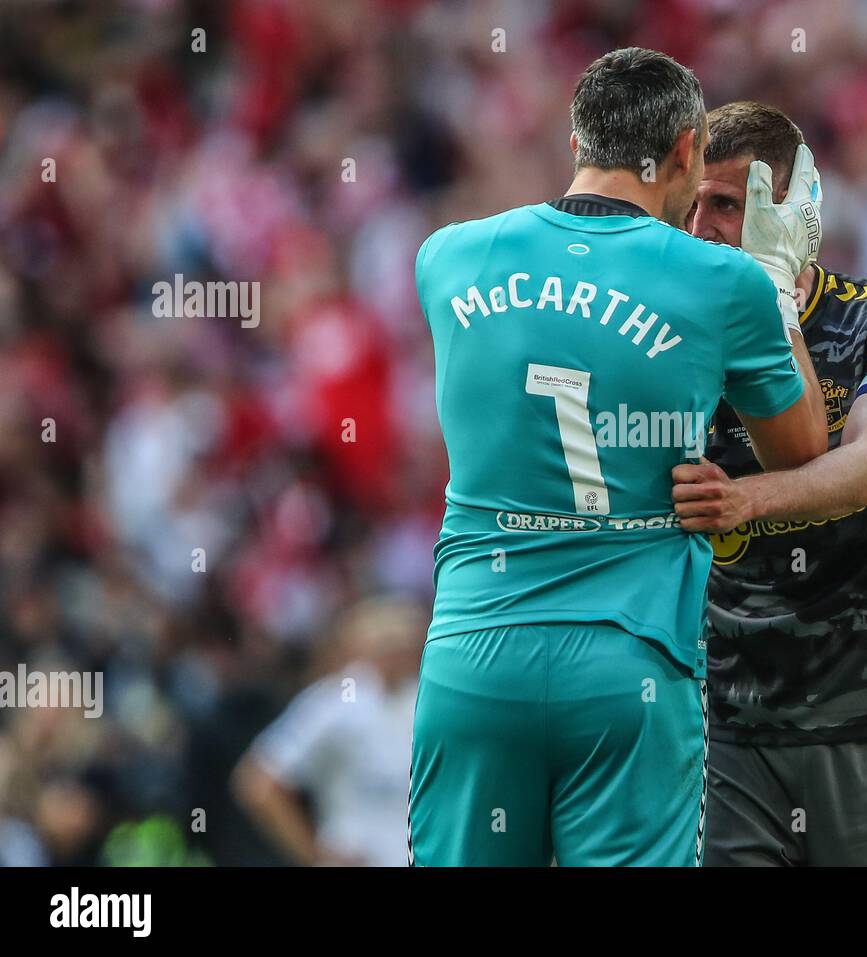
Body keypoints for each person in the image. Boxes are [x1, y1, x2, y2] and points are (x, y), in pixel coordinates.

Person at [409, 51, 826, 866]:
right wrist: (775, 280)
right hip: (630, 667)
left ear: (576, 142)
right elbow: (802, 450)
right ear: (686, 149)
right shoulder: (723, 283)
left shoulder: (447, 257)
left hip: (472, 656)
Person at [675, 101, 867, 866]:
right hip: (728, 722)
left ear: (793, 213)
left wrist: (744, 500)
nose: (699, 227)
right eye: (691, 203)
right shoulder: (673, 339)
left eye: (728, 205)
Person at [232, 597, 423, 867]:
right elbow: (259, 782)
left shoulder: (421, 700)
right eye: (388, 641)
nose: (398, 653)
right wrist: (315, 855)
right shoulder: (337, 703)